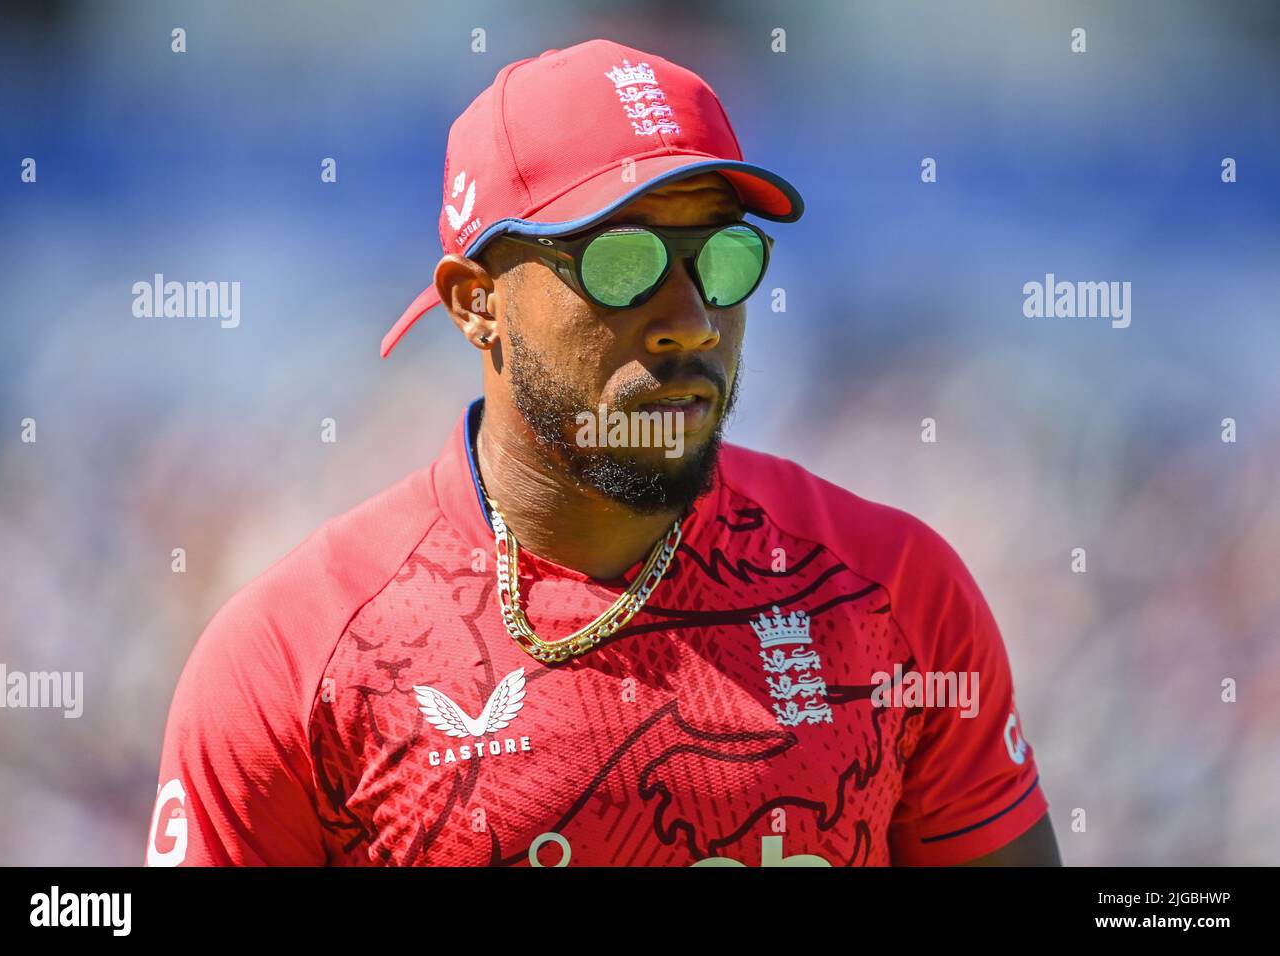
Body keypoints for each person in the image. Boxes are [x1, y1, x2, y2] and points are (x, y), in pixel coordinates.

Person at [147, 37, 1059, 867]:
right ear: (476, 302)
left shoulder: (891, 589)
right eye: (621, 261)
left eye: (720, 255)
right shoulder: (289, 659)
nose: (689, 320)